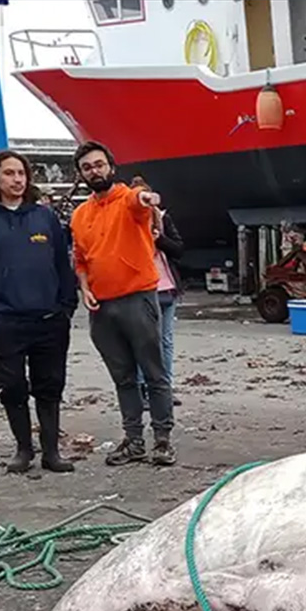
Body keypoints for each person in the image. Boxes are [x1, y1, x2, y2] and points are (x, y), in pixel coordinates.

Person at [0, 149, 77, 474]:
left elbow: (62, 266)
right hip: (4, 321)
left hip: (50, 320)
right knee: (12, 387)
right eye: (9, 173)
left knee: (50, 385)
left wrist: (67, 306)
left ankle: (51, 452)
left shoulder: (45, 217)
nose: (17, 179)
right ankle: (23, 449)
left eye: (21, 173)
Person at [71, 140, 176, 467]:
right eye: (87, 167)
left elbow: (138, 201)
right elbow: (81, 259)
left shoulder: (127, 201)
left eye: (99, 165)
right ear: (81, 174)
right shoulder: (80, 215)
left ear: (111, 168)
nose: (94, 171)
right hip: (102, 307)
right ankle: (134, 440)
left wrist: (145, 197)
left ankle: (162, 440)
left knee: (154, 372)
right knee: (123, 377)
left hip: (137, 299)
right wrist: (84, 289)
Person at [131, 176, 185, 410]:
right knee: (145, 342)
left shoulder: (162, 220)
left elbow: (179, 249)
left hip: (166, 289)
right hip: (142, 290)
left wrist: (159, 238)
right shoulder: (128, 223)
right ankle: (144, 389)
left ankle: (164, 387)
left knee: (165, 341)